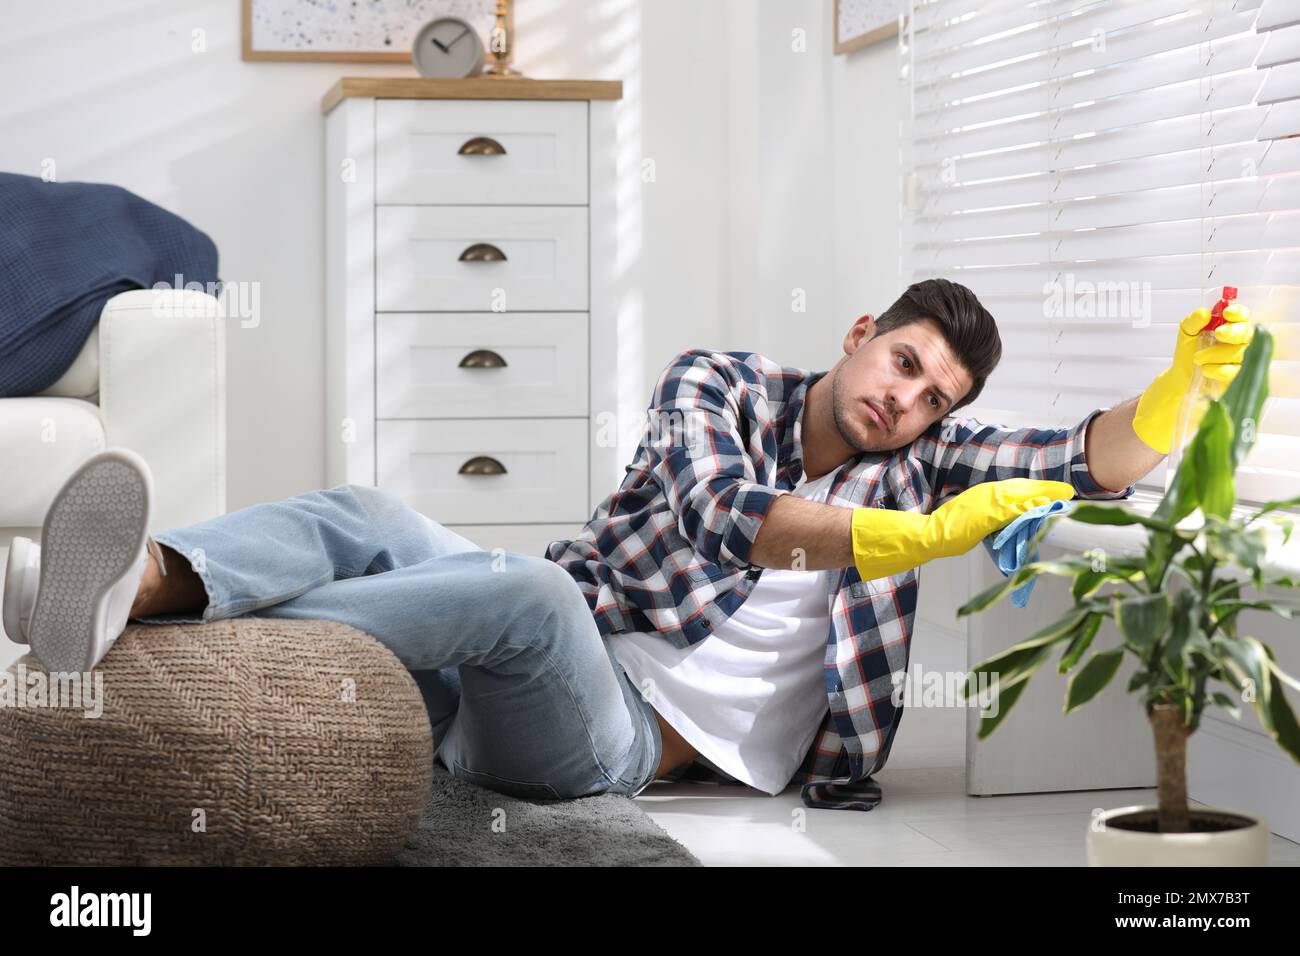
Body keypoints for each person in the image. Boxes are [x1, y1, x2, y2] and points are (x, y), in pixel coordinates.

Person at [1, 278, 1253, 808]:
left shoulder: (920, 465)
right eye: (905, 363)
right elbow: (728, 513)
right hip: (558, 645)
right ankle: (138, 584)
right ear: (867, 330)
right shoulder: (718, 380)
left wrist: (1182, 389)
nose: (906, 401)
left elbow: (1090, 455)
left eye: (934, 399)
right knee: (381, 512)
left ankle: (180, 656)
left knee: (529, 594)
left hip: (611, 744)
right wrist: (913, 534)